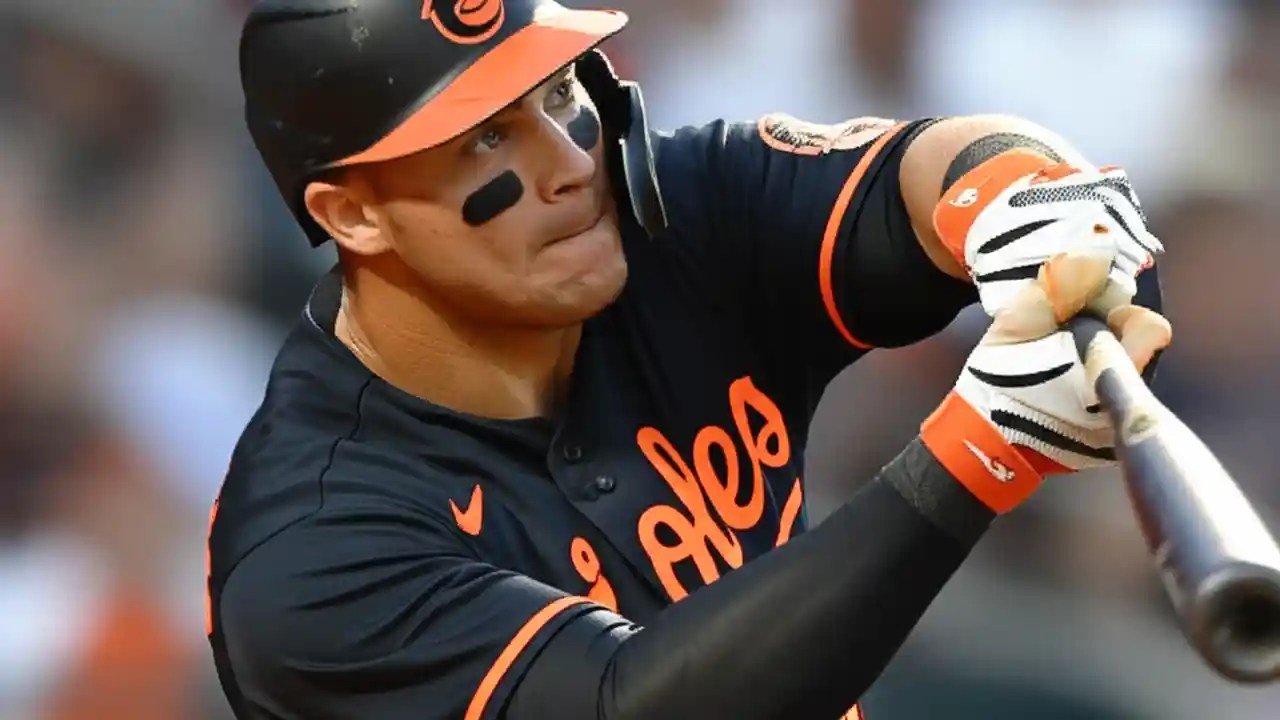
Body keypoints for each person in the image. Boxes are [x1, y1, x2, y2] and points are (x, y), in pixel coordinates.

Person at [206, 1, 1171, 718]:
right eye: (488, 136)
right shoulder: (309, 551)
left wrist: (1032, 209)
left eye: (556, 93)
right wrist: (976, 453)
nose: (569, 162)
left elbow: (926, 167)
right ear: (353, 215)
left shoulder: (653, 229)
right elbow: (636, 706)